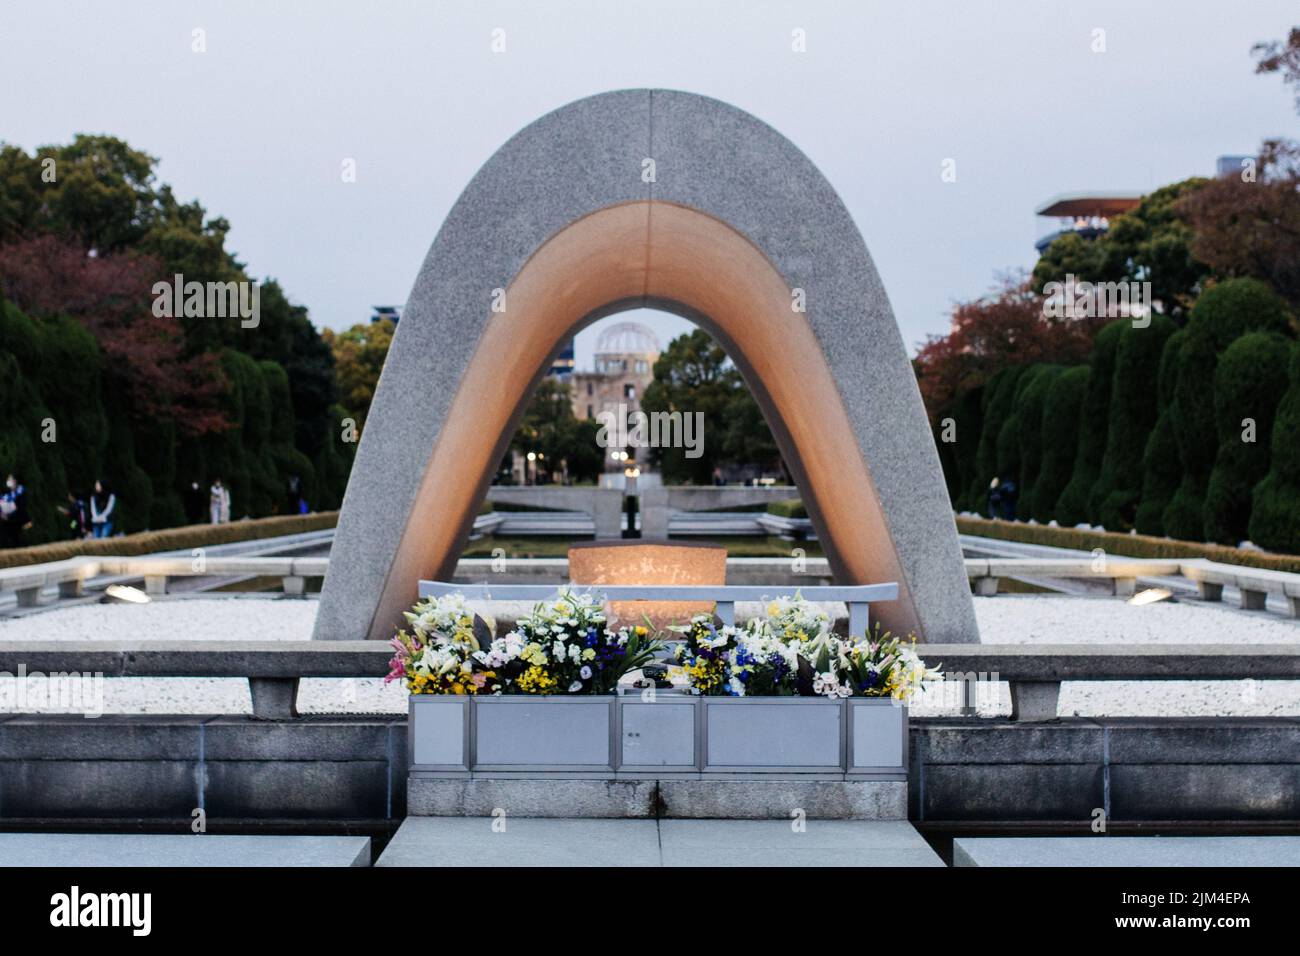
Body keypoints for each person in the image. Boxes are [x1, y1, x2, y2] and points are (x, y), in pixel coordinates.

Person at [0, 473, 30, 549]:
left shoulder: (21, 491)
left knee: (18, 541)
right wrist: (2, 514)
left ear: (15, 481)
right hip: (7, 521)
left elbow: (22, 508)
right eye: (8, 479)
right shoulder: (7, 495)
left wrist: (11, 514)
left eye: (10, 479)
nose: (8, 481)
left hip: (18, 522)